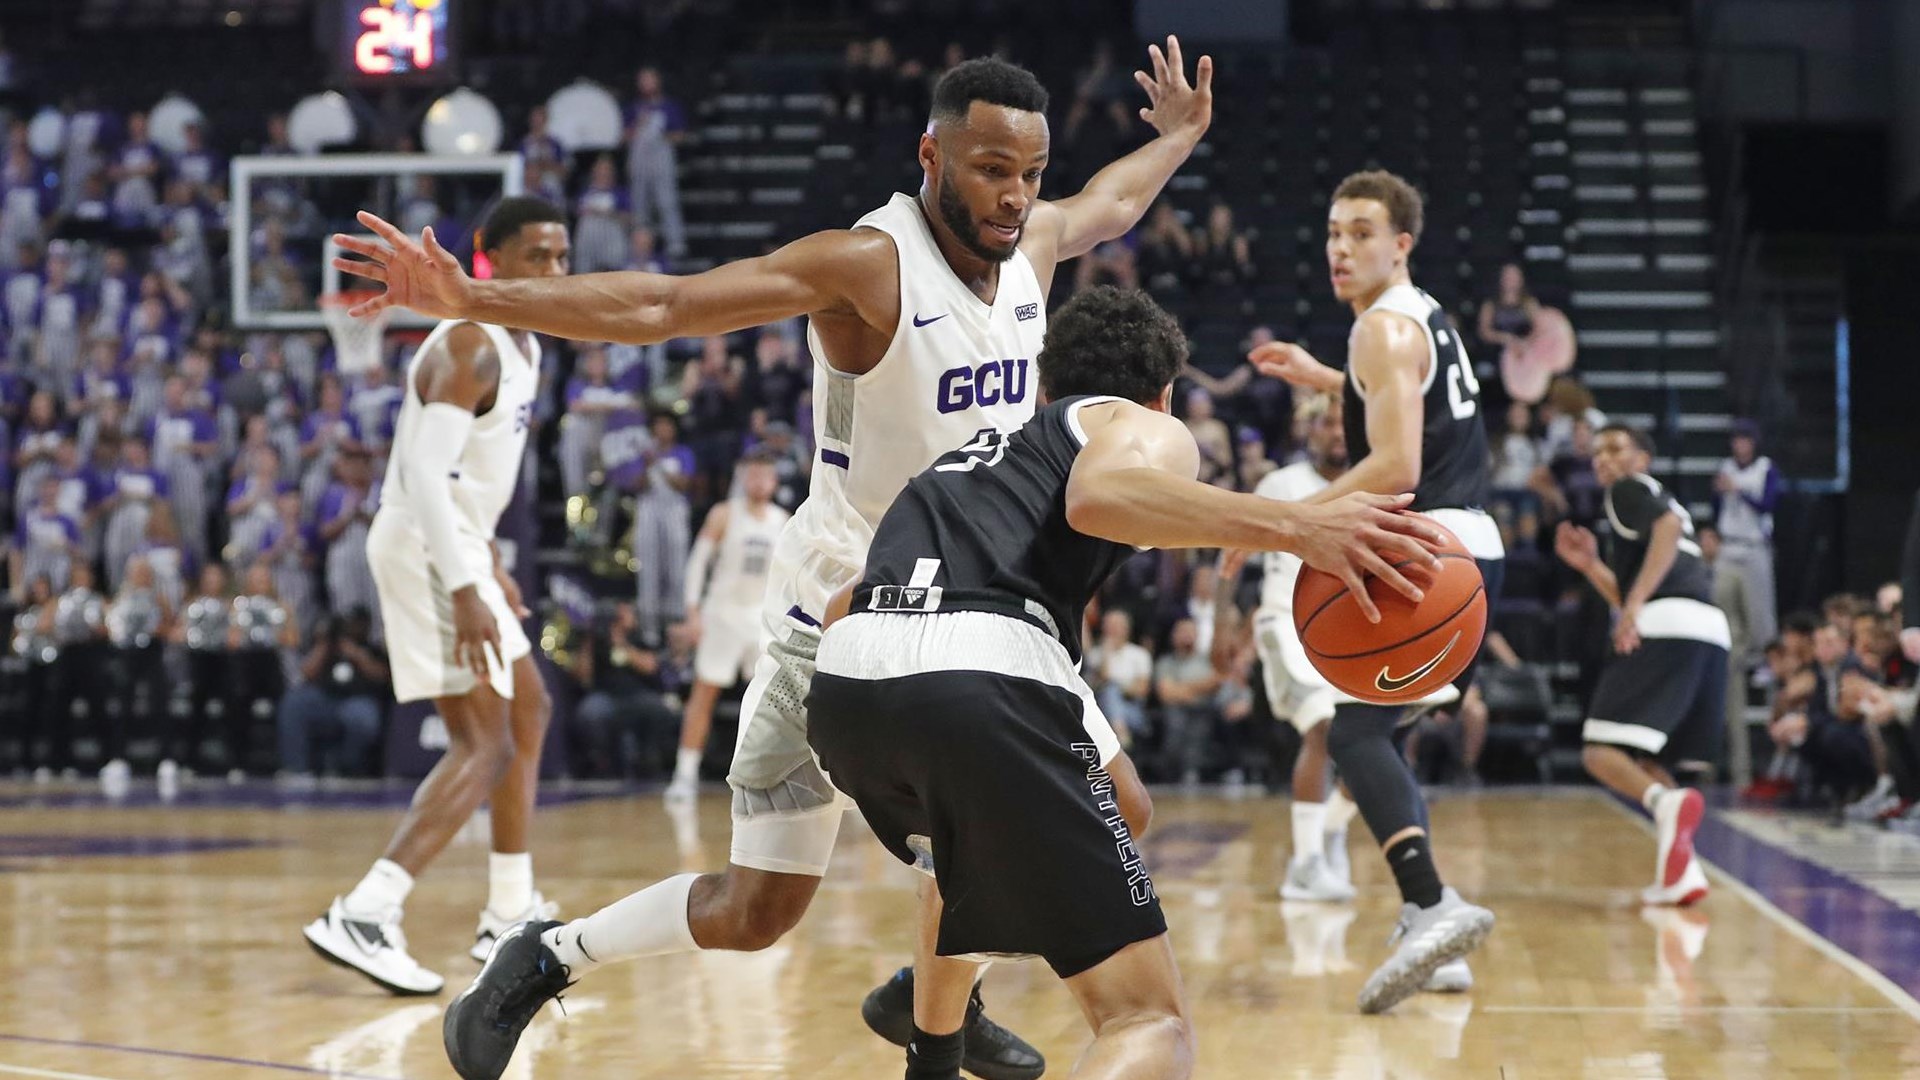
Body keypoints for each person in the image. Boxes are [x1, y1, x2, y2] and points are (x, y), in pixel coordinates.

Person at [341, 46, 1219, 1080]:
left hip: (976, 614)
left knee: (1112, 806)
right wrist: (476, 300)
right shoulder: (867, 267)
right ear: (931, 156)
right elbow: (666, 307)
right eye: (991, 169)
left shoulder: (1032, 249)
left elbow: (1112, 203)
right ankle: (550, 954)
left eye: (1030, 172)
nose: (1015, 195)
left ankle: (939, 996)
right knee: (756, 911)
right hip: (841, 618)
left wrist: (1177, 137)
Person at [802, 287, 1442, 1078]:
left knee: (1114, 807)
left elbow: (844, 604)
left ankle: (931, 1041)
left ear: (1043, 387)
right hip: (984, 657)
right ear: (1163, 394)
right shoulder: (1137, 423)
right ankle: (954, 990)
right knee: (1150, 1021)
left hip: (854, 675)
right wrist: (1297, 526)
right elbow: (1099, 497)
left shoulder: (981, 454)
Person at [1247, 169, 1502, 1014]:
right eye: (1332, 233)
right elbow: (1409, 400)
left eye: (1361, 233)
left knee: (1355, 735)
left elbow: (1395, 465)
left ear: (1401, 244)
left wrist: (1278, 523)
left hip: (1431, 556)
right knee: (1374, 734)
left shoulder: (1379, 330)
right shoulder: (1416, 317)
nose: (1341, 248)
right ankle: (1434, 929)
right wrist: (1327, 378)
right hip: (1466, 553)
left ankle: (1430, 903)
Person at [301, 198, 568, 996]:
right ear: (489, 258)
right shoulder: (469, 344)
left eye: (561, 257)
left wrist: (488, 562)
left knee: (529, 709)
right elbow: (423, 474)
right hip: (425, 547)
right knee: (484, 743)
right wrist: (466, 585)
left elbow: (467, 482)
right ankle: (366, 911)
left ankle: (509, 912)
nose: (553, 271)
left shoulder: (526, 342)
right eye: (536, 256)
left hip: (457, 544)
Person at [1553, 425, 1730, 907]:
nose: (1603, 459)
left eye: (1615, 449)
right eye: (1597, 453)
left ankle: (1663, 802)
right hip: (1707, 629)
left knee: (1600, 751)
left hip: (1667, 623)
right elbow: (1653, 567)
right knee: (1651, 763)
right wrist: (1591, 566)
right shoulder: (1654, 500)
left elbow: (1665, 533)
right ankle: (1682, 874)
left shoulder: (1627, 490)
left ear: (1643, 459)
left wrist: (1632, 608)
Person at [1248, 390, 1362, 903]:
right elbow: (1236, 549)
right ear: (1307, 430)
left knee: (1374, 742)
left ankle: (1330, 829)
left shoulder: (1373, 485)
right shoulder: (1281, 484)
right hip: (1285, 622)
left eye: (1344, 423)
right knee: (1324, 728)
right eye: (1327, 423)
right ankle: (1307, 863)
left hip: (1351, 630)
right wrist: (1225, 623)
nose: (1336, 432)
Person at [668, 452, 791, 802]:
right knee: (703, 695)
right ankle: (684, 775)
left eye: (765, 475)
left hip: (761, 619)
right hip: (722, 615)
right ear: (743, 477)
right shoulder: (724, 513)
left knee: (770, 702)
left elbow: (788, 576)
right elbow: (697, 563)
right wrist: (692, 612)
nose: (759, 481)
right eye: (753, 474)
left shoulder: (783, 520)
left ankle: (767, 776)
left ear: (774, 481)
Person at [1713, 419, 1781, 661]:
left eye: (1745, 440)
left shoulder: (1765, 468)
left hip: (1754, 546)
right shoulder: (1725, 467)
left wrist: (1738, 491)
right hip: (1728, 545)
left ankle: (1765, 662)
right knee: (1724, 607)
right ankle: (1729, 660)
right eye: (1737, 440)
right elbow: (1716, 507)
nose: (1740, 445)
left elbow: (1768, 505)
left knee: (1759, 613)